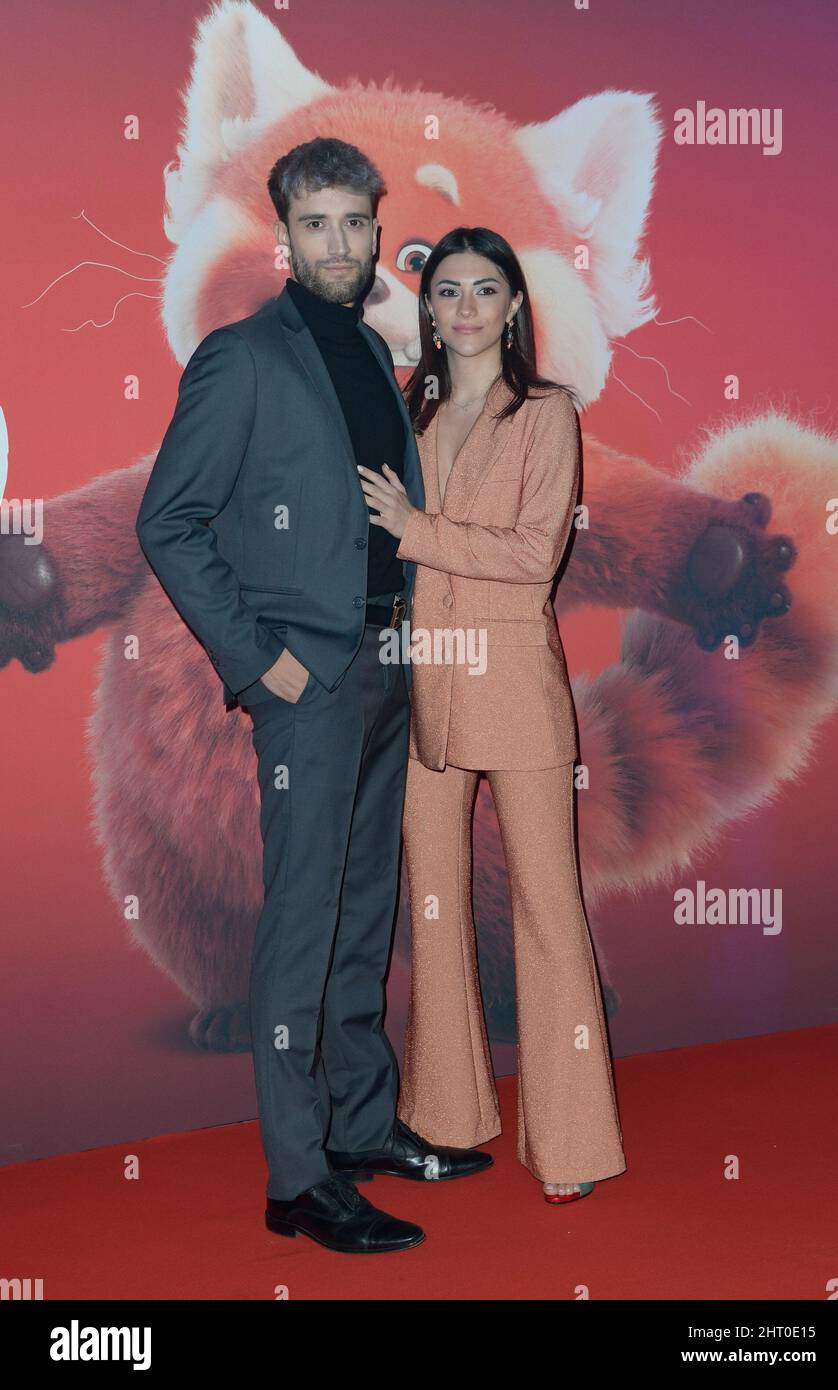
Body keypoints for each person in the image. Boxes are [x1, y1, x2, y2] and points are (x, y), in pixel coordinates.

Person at [136, 139, 491, 1257]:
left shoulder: (378, 355)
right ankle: (298, 1179)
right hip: (309, 683)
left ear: (376, 232)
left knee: (361, 914)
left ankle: (357, 1124)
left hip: (388, 668)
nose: (339, 244)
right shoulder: (240, 358)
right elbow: (167, 523)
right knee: (301, 922)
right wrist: (260, 663)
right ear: (284, 237)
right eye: (317, 225)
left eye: (356, 223)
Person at [357, 227, 627, 1204]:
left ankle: (572, 1144)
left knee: (548, 915)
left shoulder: (547, 413)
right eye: (446, 291)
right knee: (431, 908)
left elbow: (531, 554)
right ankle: (443, 1116)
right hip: (427, 686)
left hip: (513, 683)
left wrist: (415, 529)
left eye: (484, 290)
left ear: (513, 305)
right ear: (424, 308)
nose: (463, 307)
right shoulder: (411, 407)